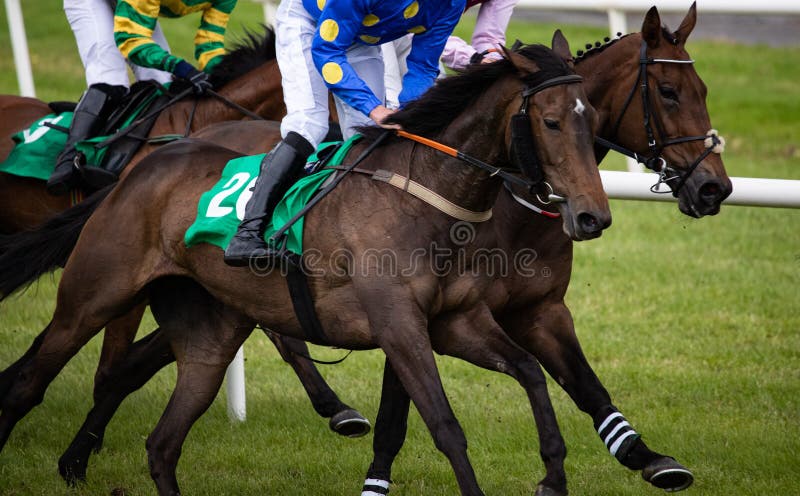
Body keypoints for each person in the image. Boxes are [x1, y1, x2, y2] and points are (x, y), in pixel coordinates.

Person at [224, 0, 466, 266]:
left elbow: (423, 67)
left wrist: (407, 114)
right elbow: (327, 51)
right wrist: (373, 107)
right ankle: (247, 233)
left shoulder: (453, 3)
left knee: (370, 137)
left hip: (362, 40)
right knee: (309, 124)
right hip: (308, 24)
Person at [48, 0, 237, 195]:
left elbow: (210, 42)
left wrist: (222, 75)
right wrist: (182, 68)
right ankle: (68, 160)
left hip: (136, 7)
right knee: (110, 80)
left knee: (164, 85)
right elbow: (131, 39)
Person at [384, 0, 518, 108]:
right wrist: (473, 58)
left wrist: (493, 63)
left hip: (422, 35)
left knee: (431, 105)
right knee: (388, 100)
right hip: (377, 28)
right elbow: (422, 29)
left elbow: (489, 37)